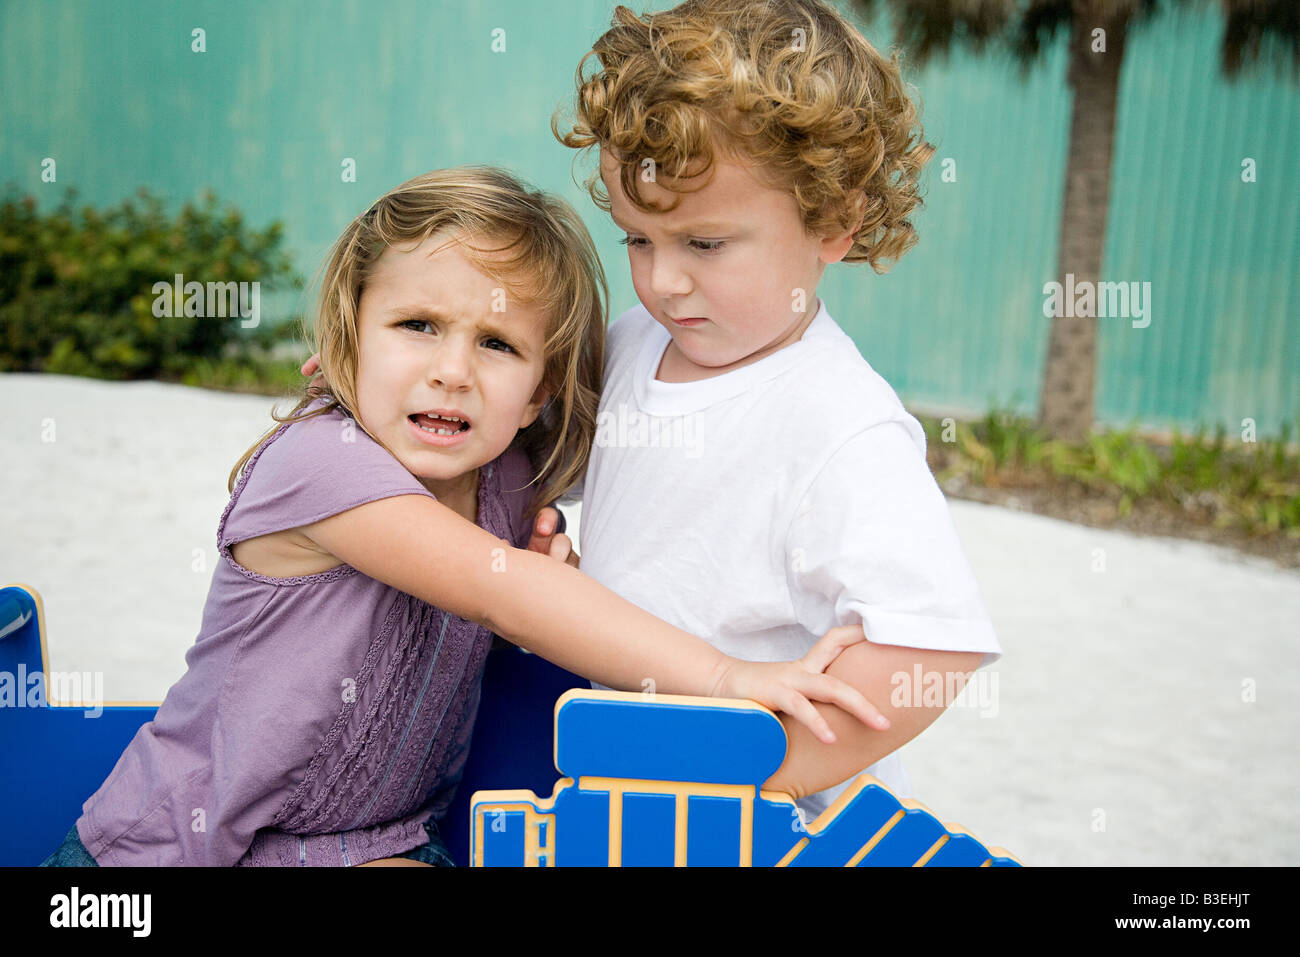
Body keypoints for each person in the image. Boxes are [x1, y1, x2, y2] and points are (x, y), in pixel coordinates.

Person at [40, 165, 885, 867]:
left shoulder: (507, 482)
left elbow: (573, 558)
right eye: (415, 325)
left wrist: (567, 574)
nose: (451, 370)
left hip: (373, 844)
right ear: (348, 340)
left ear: (540, 388)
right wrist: (726, 678)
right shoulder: (320, 464)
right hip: (168, 853)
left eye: (497, 344)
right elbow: (503, 591)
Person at [545, 0, 1004, 826]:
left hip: (767, 828)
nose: (664, 281)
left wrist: (758, 773)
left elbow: (931, 647)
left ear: (835, 220)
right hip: (630, 799)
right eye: (639, 240)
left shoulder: (839, 424)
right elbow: (543, 450)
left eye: (705, 244)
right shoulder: (635, 342)